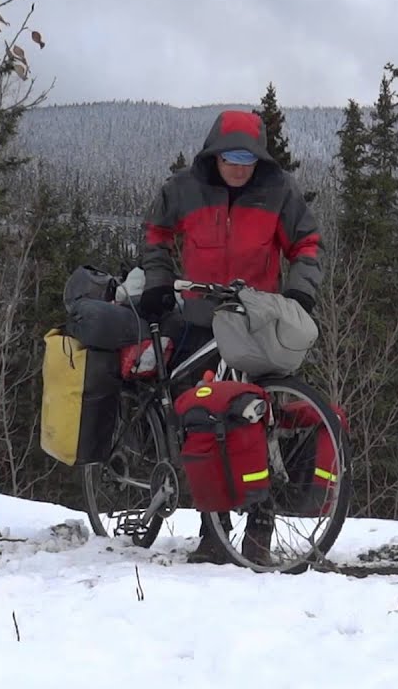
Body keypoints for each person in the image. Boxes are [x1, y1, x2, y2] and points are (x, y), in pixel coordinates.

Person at [137, 108, 323, 565]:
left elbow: (307, 243)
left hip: (254, 322)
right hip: (200, 319)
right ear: (214, 156)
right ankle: (213, 532)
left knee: (259, 422)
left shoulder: (278, 191)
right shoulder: (185, 188)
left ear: (261, 159)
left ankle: (260, 529)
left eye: (248, 159)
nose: (239, 167)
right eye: (230, 158)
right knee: (204, 423)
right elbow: (156, 233)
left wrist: (300, 292)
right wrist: (158, 279)